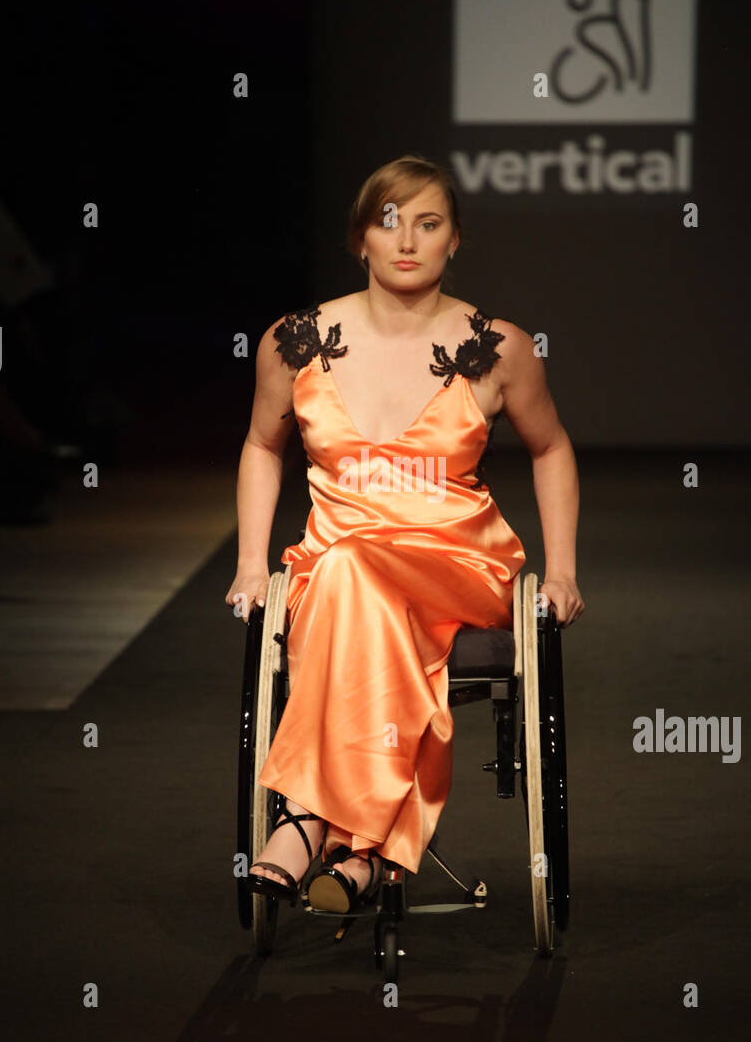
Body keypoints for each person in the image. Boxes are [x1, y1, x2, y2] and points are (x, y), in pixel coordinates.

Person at [225, 153, 584, 914]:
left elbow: (552, 449)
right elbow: (264, 445)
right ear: (361, 238)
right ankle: (367, 856)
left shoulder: (500, 347)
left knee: (354, 570)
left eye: (429, 223)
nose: (408, 241)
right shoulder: (294, 341)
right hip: (337, 568)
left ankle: (309, 817)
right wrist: (251, 564)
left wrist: (563, 572)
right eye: (390, 223)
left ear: (456, 240)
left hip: (456, 561)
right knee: (354, 575)